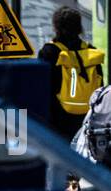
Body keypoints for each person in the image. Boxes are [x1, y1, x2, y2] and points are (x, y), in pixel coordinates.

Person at [39, 6, 105, 141]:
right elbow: (100, 87)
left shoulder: (50, 52)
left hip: (58, 119)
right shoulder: (91, 52)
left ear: (55, 27)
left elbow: (42, 87)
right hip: (86, 118)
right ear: (79, 27)